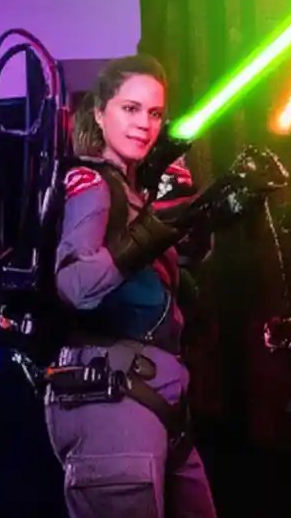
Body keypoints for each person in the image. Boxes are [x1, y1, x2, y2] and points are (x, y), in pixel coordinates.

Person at [47, 54, 217, 517]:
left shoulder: (136, 192)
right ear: (100, 112)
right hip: (113, 394)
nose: (144, 123)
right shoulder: (91, 181)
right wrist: (147, 239)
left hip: (157, 395)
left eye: (155, 113)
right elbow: (75, 285)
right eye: (130, 109)